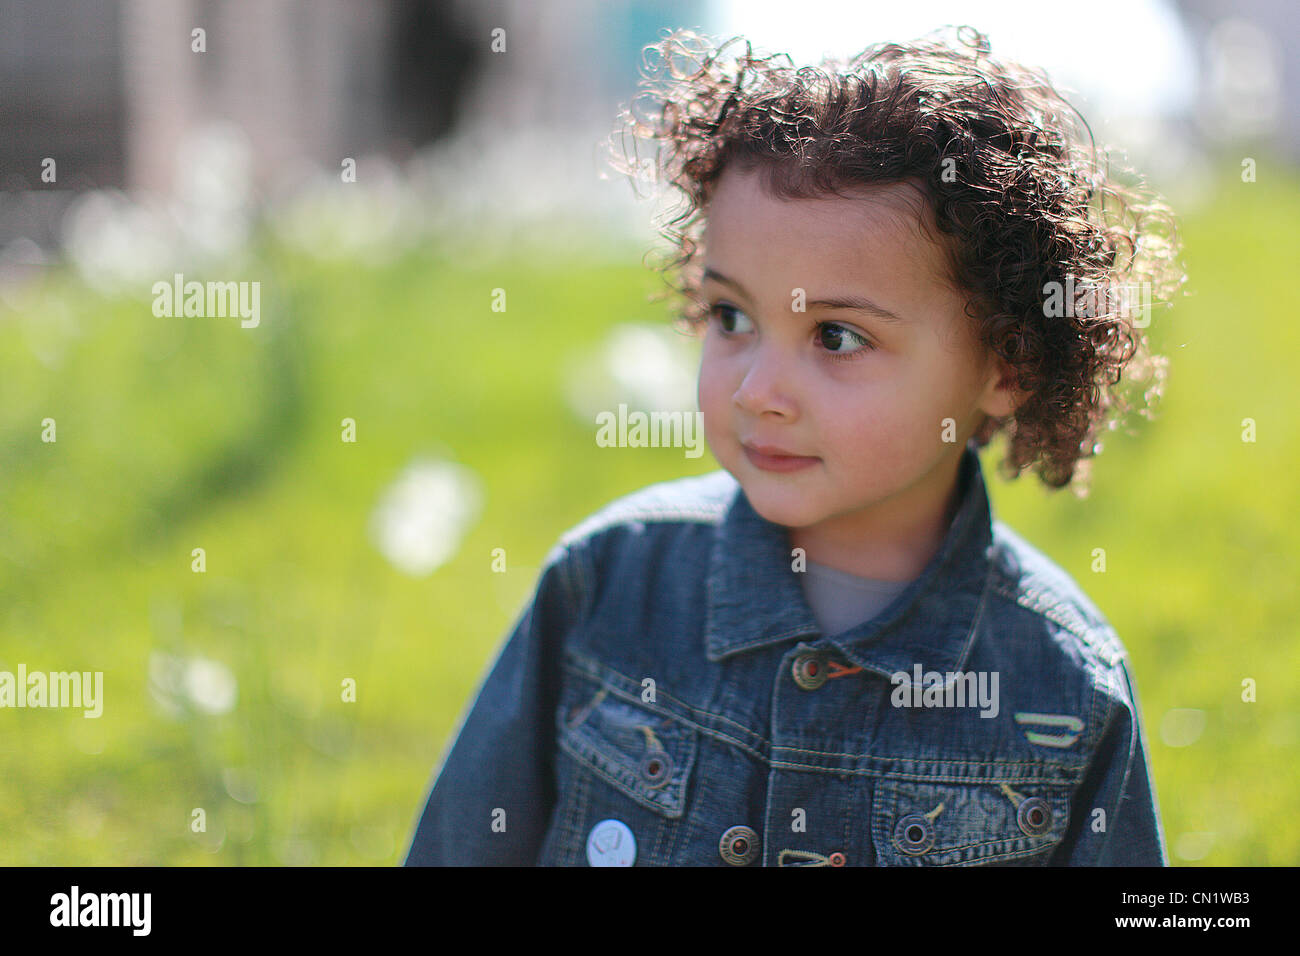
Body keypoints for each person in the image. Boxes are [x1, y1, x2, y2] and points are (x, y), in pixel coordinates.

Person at [403, 25, 1183, 866]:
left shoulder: (1062, 682)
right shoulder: (608, 584)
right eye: (732, 318)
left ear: (1006, 362)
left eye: (837, 337)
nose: (756, 392)